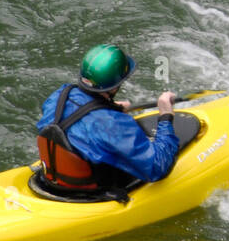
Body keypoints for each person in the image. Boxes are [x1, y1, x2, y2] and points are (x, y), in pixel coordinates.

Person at [34, 44, 179, 194]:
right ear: (114, 86)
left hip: (53, 181)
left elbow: (77, 118)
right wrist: (165, 116)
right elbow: (158, 167)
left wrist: (108, 107)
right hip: (91, 192)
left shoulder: (58, 95)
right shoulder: (113, 124)